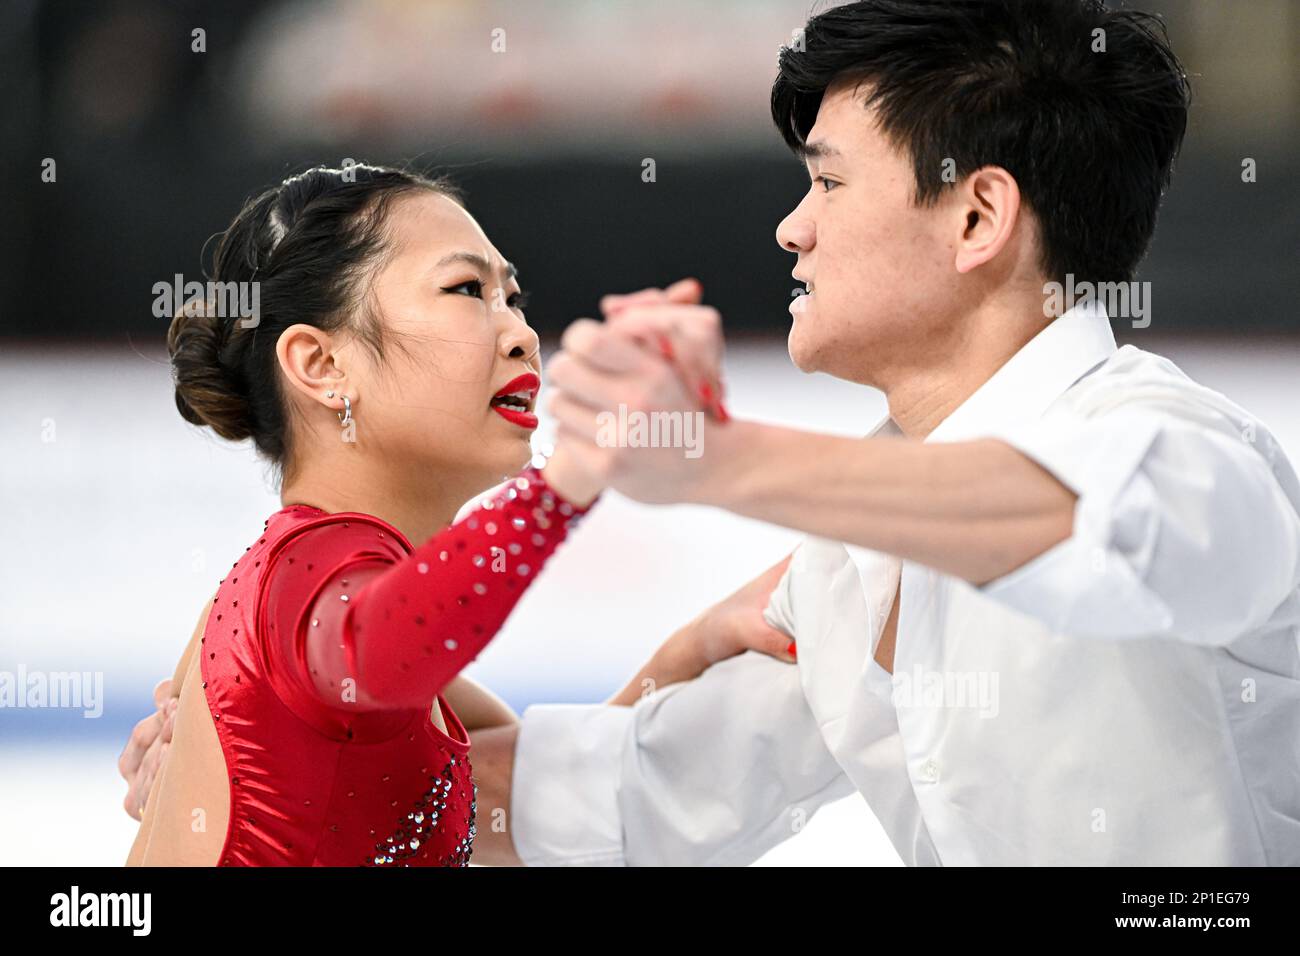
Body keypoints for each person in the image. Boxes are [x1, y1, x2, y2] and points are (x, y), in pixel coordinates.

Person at [500, 0, 1300, 865]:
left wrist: (717, 456)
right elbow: (607, 805)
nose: (791, 228)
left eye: (829, 182)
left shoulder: (1195, 451)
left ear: (977, 219)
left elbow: (1089, 522)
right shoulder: (846, 565)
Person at [123, 164, 793, 866]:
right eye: (467, 289)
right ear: (321, 364)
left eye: (513, 295)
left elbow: (562, 805)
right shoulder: (304, 588)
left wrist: (691, 649)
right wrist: (571, 475)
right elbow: (379, 644)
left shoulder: (347, 647)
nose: (523, 335)